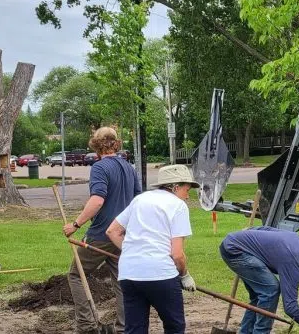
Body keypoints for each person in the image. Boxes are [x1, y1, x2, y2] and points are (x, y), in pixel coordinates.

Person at [63, 127, 142, 333]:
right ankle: (125, 327)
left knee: (76, 274)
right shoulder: (128, 167)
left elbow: (97, 200)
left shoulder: (100, 168)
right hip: (122, 235)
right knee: (120, 280)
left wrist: (75, 224)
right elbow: (137, 201)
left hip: (102, 234)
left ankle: (87, 325)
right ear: (116, 144)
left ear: (96, 146)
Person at [107, 164, 198, 334]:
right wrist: (185, 276)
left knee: (135, 329)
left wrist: (131, 251)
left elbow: (112, 231)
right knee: (174, 327)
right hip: (160, 274)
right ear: (175, 187)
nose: (187, 196)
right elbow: (177, 254)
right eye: (187, 190)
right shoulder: (178, 206)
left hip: (129, 274)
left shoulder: (140, 199)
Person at [219, 226, 299, 334]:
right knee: (270, 290)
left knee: (259, 295)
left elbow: (265, 229)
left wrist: (247, 234)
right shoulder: (294, 262)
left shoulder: (298, 240)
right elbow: (290, 307)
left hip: (233, 243)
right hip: (236, 250)